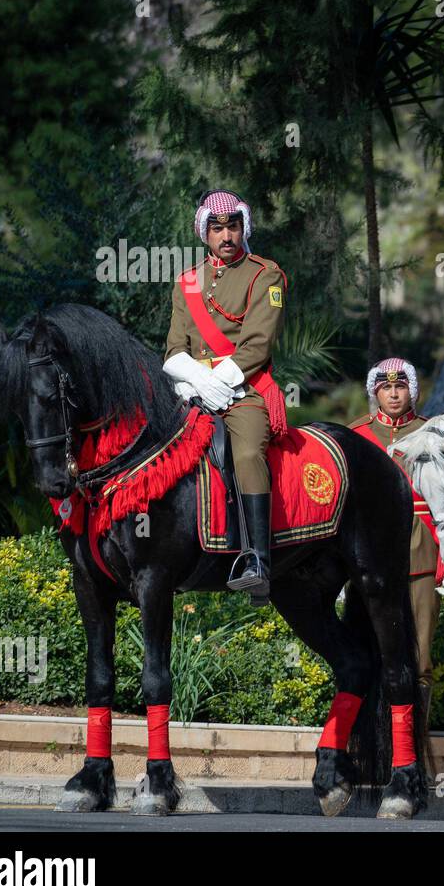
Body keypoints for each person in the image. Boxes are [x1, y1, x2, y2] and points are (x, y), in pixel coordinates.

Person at [164, 189, 287, 603]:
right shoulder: (187, 283)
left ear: (243, 228)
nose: (226, 235)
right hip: (194, 391)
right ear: (205, 233)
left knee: (248, 452)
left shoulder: (264, 274)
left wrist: (224, 383)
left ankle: (259, 563)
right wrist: (200, 382)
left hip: (245, 389)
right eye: (217, 228)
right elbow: (173, 351)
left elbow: (257, 346)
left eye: (233, 226)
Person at [349, 358, 440, 714]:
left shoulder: (432, 432)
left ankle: (412, 753)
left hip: (421, 546)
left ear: (411, 390)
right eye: (385, 388)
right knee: (367, 648)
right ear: (375, 393)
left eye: (400, 386)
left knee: (420, 654)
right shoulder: (356, 435)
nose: (393, 394)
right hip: (367, 550)